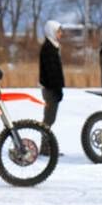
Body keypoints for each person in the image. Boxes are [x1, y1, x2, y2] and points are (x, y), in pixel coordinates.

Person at [38, 20, 64, 156]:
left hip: (52, 88)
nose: (61, 34)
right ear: (51, 32)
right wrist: (57, 89)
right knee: (49, 119)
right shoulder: (48, 48)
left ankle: (45, 147)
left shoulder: (53, 46)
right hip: (50, 89)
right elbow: (51, 72)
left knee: (50, 119)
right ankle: (45, 148)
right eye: (58, 31)